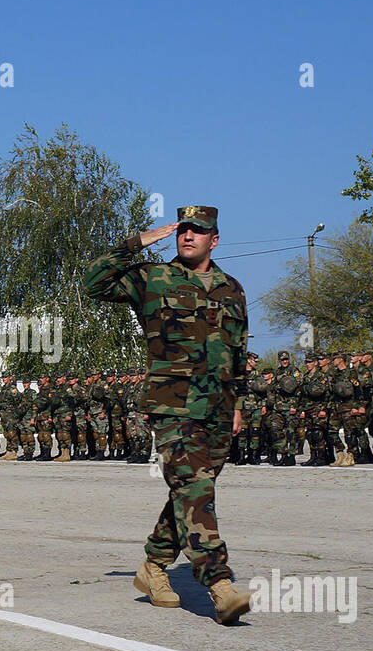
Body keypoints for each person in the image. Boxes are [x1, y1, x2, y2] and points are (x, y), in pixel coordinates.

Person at [83, 204, 252, 626]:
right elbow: (93, 282)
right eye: (183, 230)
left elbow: (239, 353)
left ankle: (153, 567)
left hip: (217, 408)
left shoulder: (232, 288)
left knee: (189, 492)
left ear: (215, 239)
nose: (188, 236)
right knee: (196, 490)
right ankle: (220, 585)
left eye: (199, 231)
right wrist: (139, 242)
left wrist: (239, 405)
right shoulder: (152, 278)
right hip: (172, 406)